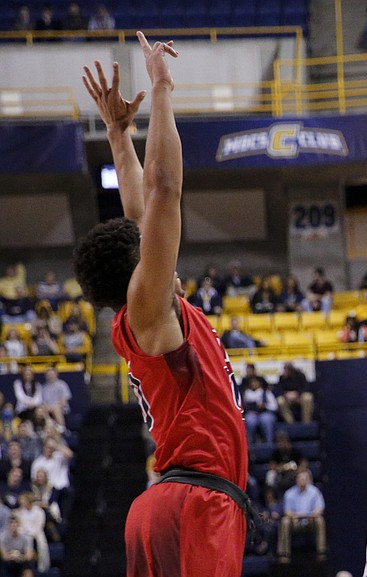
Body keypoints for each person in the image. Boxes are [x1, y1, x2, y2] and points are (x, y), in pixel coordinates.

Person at [75, 33, 250, 576]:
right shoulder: (148, 308)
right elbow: (162, 191)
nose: (158, 245)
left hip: (173, 500)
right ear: (138, 270)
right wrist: (163, 87)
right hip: (197, 502)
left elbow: (138, 208)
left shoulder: (148, 314)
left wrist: (118, 132)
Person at [277, 469, 326, 564]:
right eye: (300, 478)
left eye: (304, 478)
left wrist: (306, 515)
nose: (302, 480)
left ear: (308, 479)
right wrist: (300, 515)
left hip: (310, 520)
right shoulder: (289, 493)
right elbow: (287, 512)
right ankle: (284, 553)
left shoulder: (315, 492)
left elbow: (319, 510)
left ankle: (321, 551)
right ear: (296, 480)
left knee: (320, 520)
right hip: (295, 521)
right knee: (285, 521)